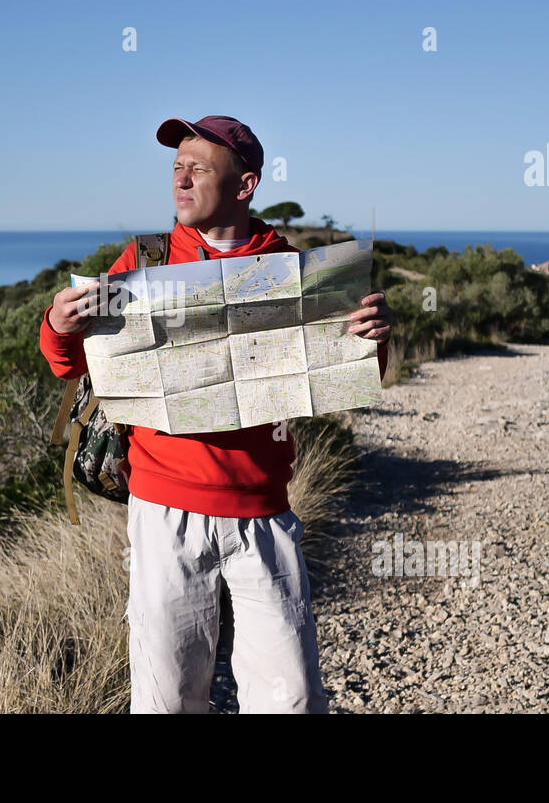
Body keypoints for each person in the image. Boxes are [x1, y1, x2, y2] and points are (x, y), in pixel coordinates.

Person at [38, 115, 393, 713]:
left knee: (293, 699)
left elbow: (353, 374)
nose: (180, 178)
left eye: (198, 167)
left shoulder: (293, 269)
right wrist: (58, 326)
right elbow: (69, 364)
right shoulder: (144, 260)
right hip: (163, 510)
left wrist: (373, 338)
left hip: (263, 510)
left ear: (245, 184)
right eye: (176, 167)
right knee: (167, 699)